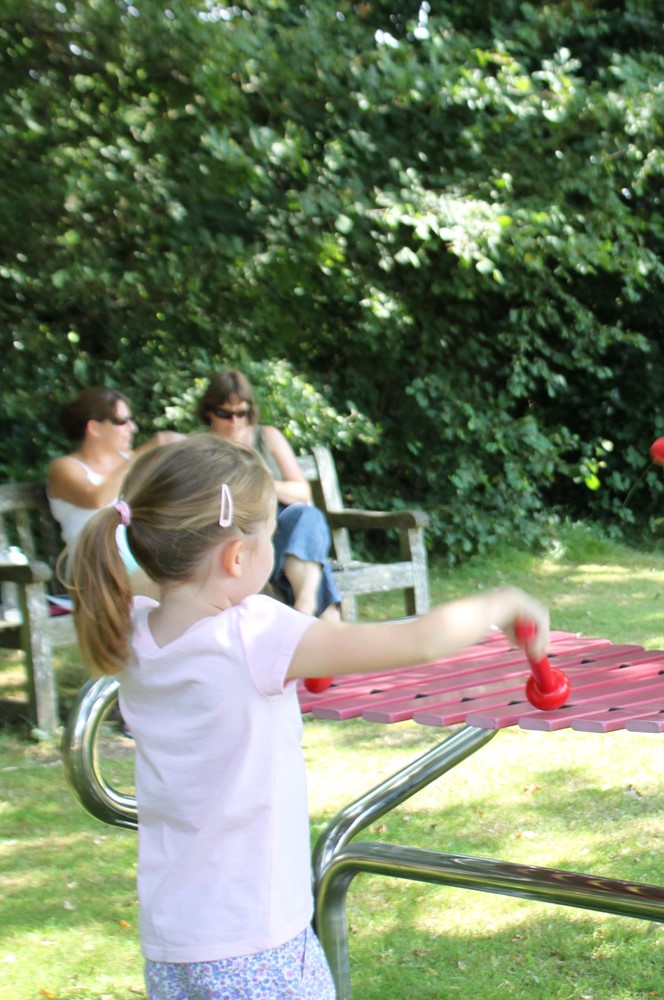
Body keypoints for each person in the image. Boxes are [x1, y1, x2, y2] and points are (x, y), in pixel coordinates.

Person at [66, 435, 550, 998]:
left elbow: (162, 577)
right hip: (258, 943)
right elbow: (417, 640)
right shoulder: (252, 634)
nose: (272, 547)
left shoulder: (133, 627)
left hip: (174, 944)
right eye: (269, 536)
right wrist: (504, 603)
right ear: (237, 557)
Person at [197, 370, 341, 621]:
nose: (234, 421)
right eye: (225, 413)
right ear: (209, 411)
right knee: (316, 566)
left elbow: (301, 491)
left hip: (285, 534)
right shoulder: (201, 448)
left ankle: (305, 609)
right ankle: (320, 622)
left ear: (250, 410)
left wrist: (262, 484)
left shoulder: (267, 436)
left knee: (307, 516)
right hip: (241, 541)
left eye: (240, 413)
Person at [47, 387, 182, 588]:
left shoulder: (130, 459)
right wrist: (145, 453)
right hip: (95, 572)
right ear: (94, 428)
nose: (133, 427)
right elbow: (96, 498)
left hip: (141, 561)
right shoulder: (64, 468)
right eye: (122, 421)